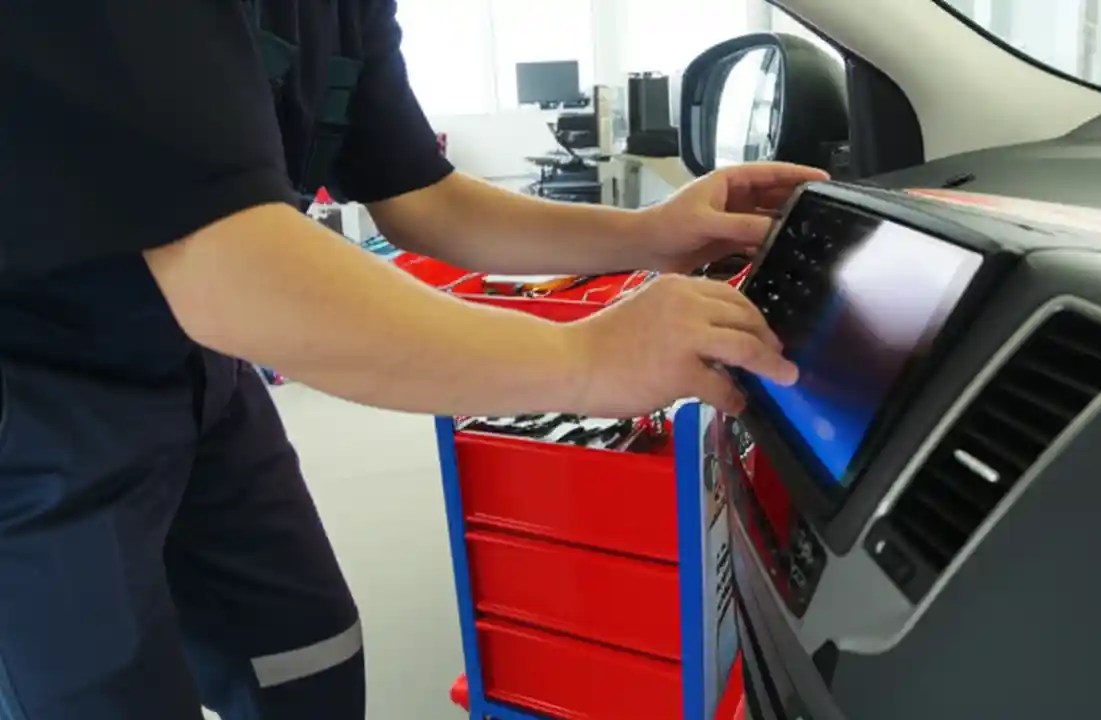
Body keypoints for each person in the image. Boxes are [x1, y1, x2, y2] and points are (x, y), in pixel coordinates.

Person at [0, 2, 823, 718]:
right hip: (36, 399)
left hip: (201, 372)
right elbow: (231, 273)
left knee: (309, 659)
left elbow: (420, 195)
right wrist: (586, 357)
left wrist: (649, 238)